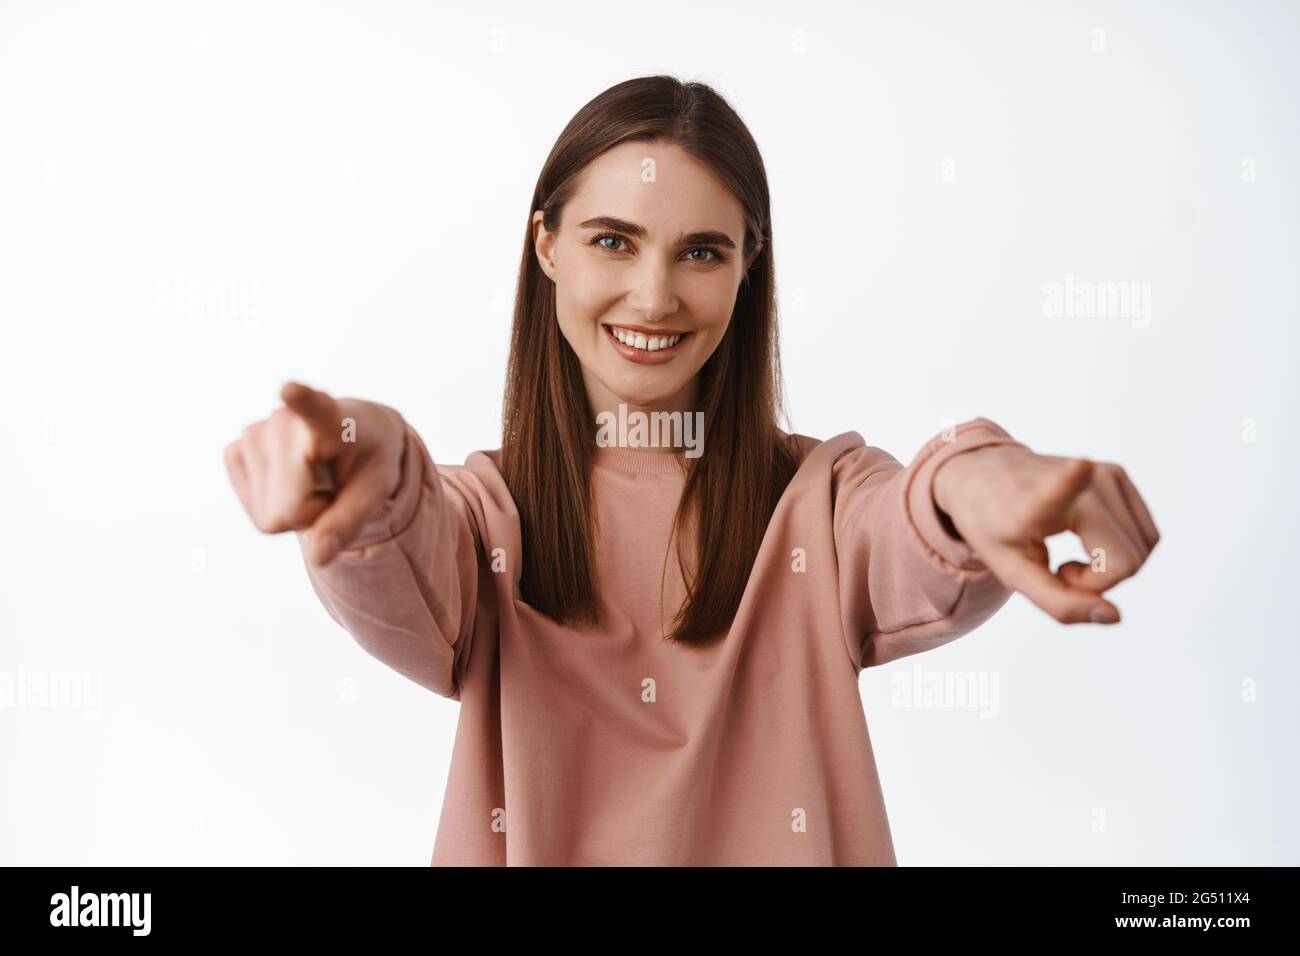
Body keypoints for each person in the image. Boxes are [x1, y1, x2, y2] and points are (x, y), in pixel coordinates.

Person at [223, 75, 1159, 866]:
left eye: (702, 251)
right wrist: (372, 458)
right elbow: (404, 539)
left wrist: (980, 477)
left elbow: (914, 516)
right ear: (545, 244)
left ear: (750, 264)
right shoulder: (483, 524)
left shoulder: (819, 506)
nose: (656, 295)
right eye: (613, 240)